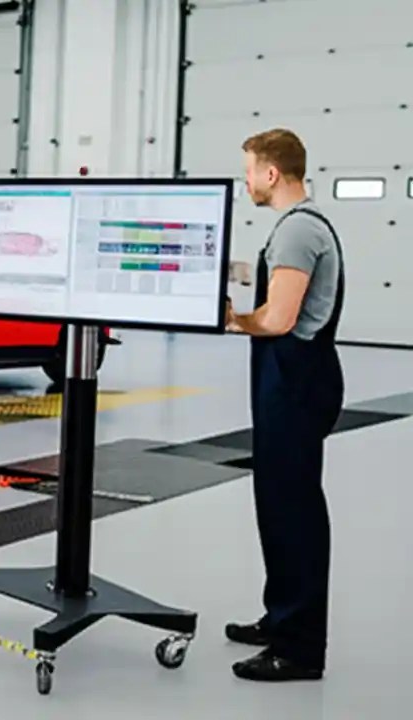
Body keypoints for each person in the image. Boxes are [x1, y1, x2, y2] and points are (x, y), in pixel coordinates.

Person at [224, 128, 344, 682]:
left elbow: (278, 319)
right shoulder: (299, 227)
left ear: (271, 173)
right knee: (278, 505)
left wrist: (232, 320)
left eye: (250, 170)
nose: (246, 180)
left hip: (296, 385)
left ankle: (297, 647)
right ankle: (281, 618)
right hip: (290, 383)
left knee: (293, 512)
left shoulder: (298, 231)